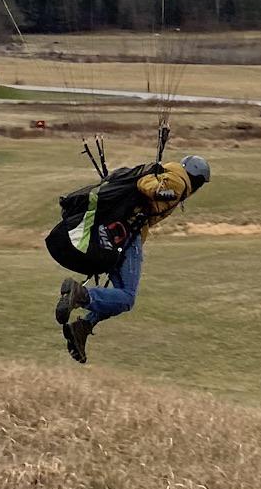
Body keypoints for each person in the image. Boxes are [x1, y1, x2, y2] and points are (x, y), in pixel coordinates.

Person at [53, 153, 211, 364]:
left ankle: (83, 326)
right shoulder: (179, 181)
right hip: (129, 236)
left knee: (119, 295)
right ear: (198, 180)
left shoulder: (171, 174)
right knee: (126, 297)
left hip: (121, 233)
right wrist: (159, 189)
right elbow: (146, 185)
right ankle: (81, 295)